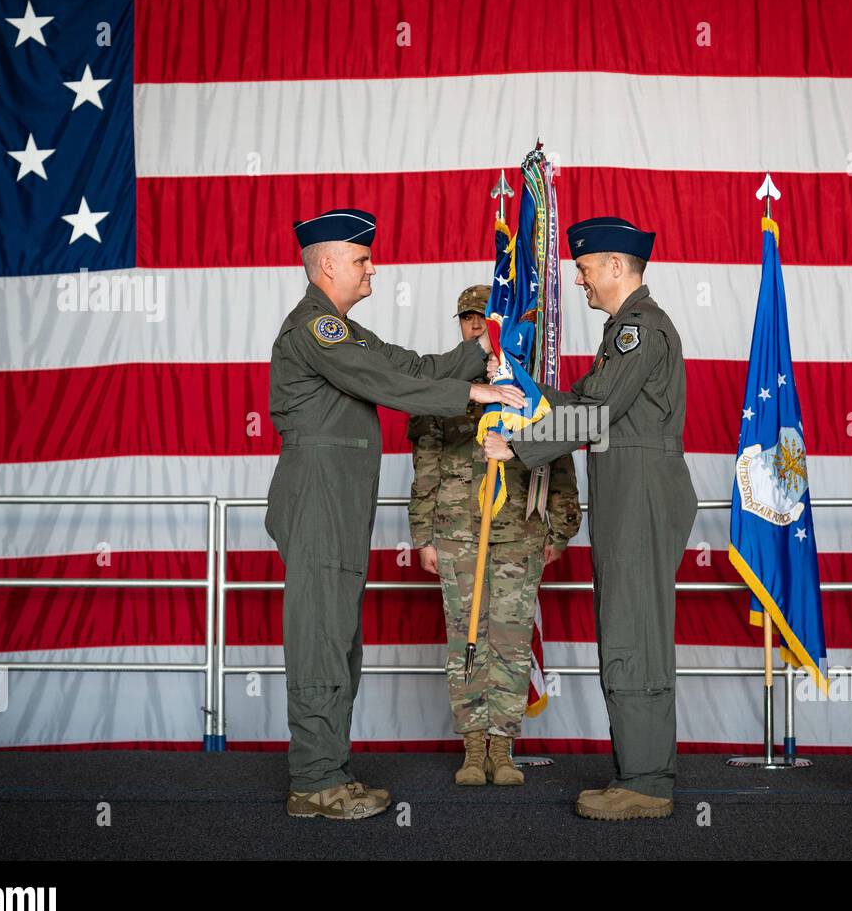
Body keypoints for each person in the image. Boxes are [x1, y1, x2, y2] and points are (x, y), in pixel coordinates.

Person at [266, 208, 525, 820]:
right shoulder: (316, 329)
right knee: (320, 641)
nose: (371, 267)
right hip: (319, 501)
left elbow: (408, 367)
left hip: (339, 503)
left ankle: (326, 773)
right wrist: (474, 391)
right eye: (360, 259)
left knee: (339, 642)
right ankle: (315, 781)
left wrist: (479, 349)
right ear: (327, 265)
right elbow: (387, 384)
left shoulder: (344, 330)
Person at [483, 216, 697, 820]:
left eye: (582, 268)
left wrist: (519, 447)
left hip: (642, 496)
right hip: (632, 492)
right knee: (626, 628)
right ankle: (637, 771)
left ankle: (648, 782)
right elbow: (581, 399)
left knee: (635, 634)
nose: (578, 279)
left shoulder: (639, 330)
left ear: (614, 267)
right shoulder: (624, 332)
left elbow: (595, 414)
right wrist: (524, 396)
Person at [408, 284, 583, 786]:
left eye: (487, 320)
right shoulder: (441, 391)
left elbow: (560, 458)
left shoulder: (529, 392)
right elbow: (425, 470)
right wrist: (422, 537)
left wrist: (562, 528)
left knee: (509, 641)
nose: (477, 327)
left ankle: (503, 748)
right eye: (468, 319)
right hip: (457, 535)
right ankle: (471, 746)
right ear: (460, 326)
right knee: (465, 640)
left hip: (520, 535)